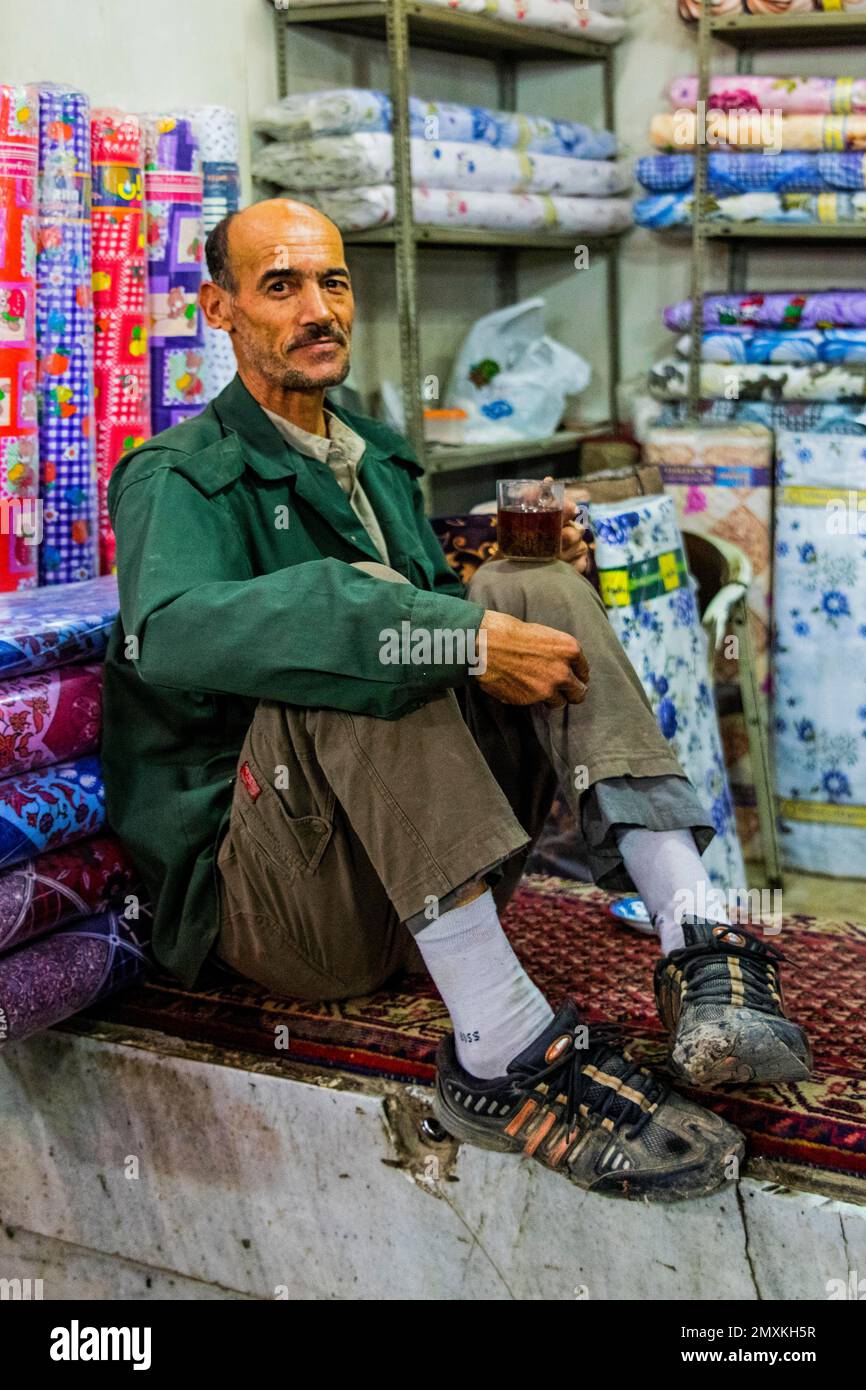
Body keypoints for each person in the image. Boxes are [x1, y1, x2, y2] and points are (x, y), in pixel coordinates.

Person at [102, 198, 810, 1204]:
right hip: (280, 909)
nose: (317, 307)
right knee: (377, 626)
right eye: (281, 285)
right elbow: (164, 633)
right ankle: (498, 1044)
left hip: (410, 875)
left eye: (334, 281)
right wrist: (433, 627)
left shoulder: (377, 456)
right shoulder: (177, 476)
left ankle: (695, 936)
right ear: (218, 308)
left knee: (535, 584)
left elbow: (456, 626)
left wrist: (499, 599)